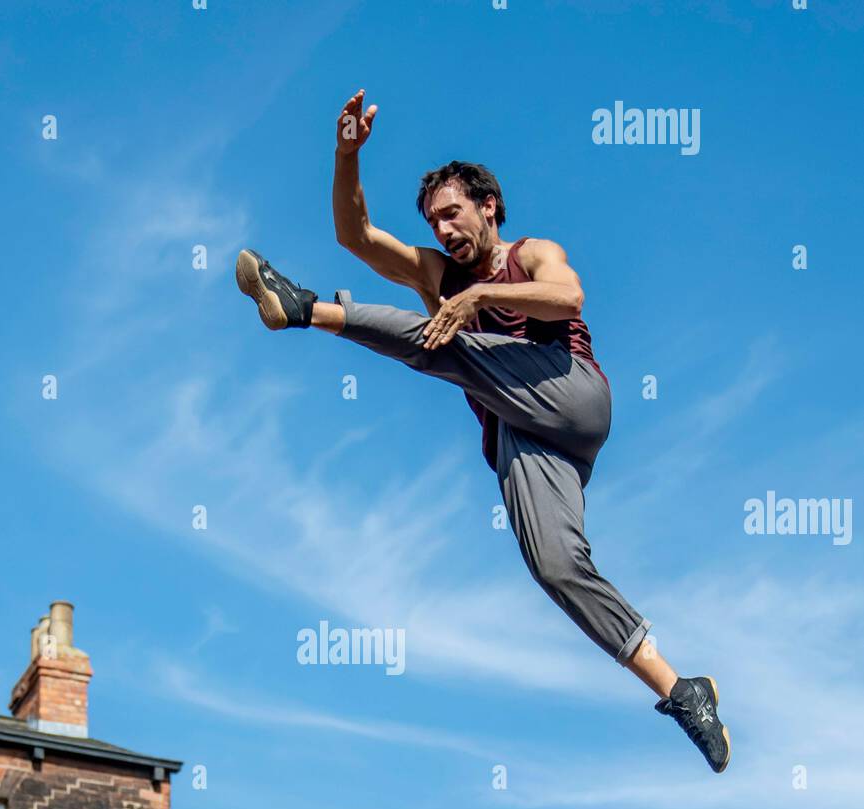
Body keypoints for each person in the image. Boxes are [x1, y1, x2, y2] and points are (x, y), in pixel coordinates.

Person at [235, 89, 730, 773]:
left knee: (446, 346)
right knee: (554, 565)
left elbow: (568, 296)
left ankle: (305, 309)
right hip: (522, 435)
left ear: (487, 206)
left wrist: (480, 295)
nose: (442, 231)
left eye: (452, 214)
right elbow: (356, 237)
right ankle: (682, 691)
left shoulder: (529, 253)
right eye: (433, 221)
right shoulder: (436, 272)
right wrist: (345, 155)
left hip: (572, 397)